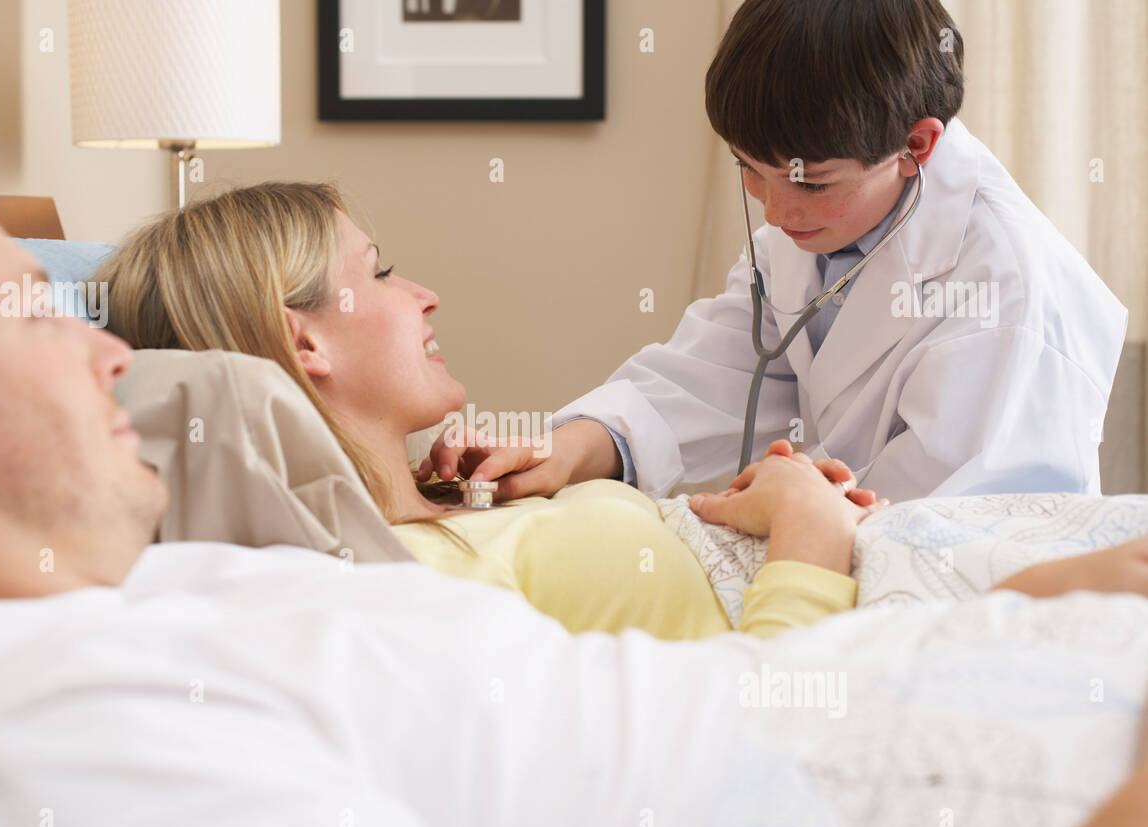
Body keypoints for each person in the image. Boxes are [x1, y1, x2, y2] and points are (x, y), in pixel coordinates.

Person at [0, 126, 1148, 827]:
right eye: (38, 318)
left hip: (920, 673)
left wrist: (991, 616)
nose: (114, 355)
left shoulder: (183, 591)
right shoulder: (38, 710)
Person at [96, 182, 889, 640]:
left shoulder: (459, 509)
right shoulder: (413, 586)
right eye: (382, 274)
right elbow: (754, 729)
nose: (424, 295)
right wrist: (807, 532)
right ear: (304, 343)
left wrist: (744, 508)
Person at [423, 0, 1127, 511]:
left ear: (917, 147)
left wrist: (790, 508)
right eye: (746, 168)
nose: (775, 210)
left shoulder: (1006, 290)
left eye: (811, 185)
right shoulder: (804, 241)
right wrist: (565, 448)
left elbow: (953, 531)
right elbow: (704, 385)